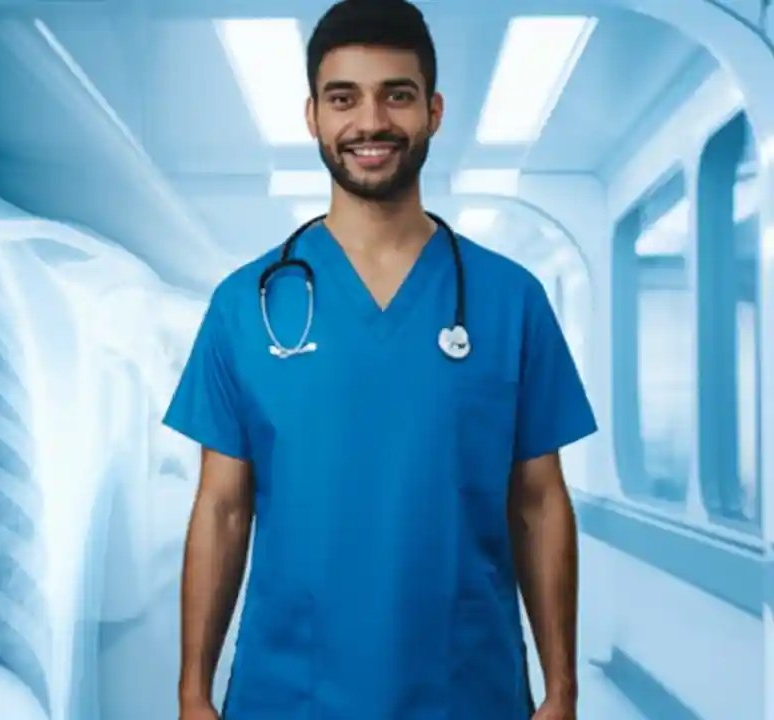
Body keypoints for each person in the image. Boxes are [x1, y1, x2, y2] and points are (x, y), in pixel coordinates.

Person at [162, 1, 598, 718]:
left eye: (397, 95)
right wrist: (191, 692)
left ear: (433, 111)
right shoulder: (245, 305)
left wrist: (563, 689)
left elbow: (539, 502)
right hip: (289, 695)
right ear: (312, 116)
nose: (371, 122)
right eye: (344, 98)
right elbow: (222, 508)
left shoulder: (509, 299)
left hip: (467, 690)